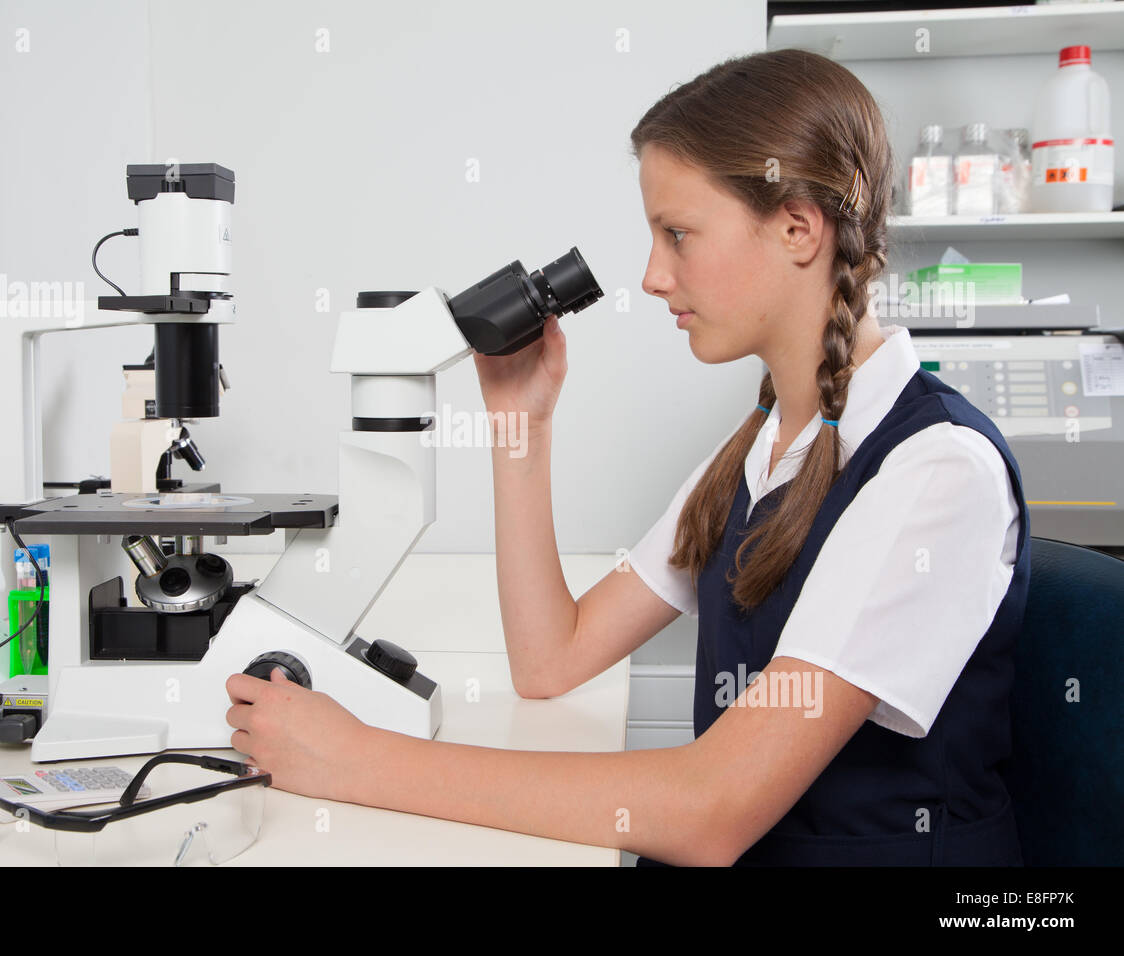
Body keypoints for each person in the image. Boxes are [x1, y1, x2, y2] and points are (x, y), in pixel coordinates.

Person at [224, 48, 1031, 866]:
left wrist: (358, 761)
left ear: (797, 227)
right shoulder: (759, 447)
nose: (651, 276)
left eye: (678, 234)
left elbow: (711, 811)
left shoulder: (936, 473)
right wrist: (521, 425)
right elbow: (551, 659)